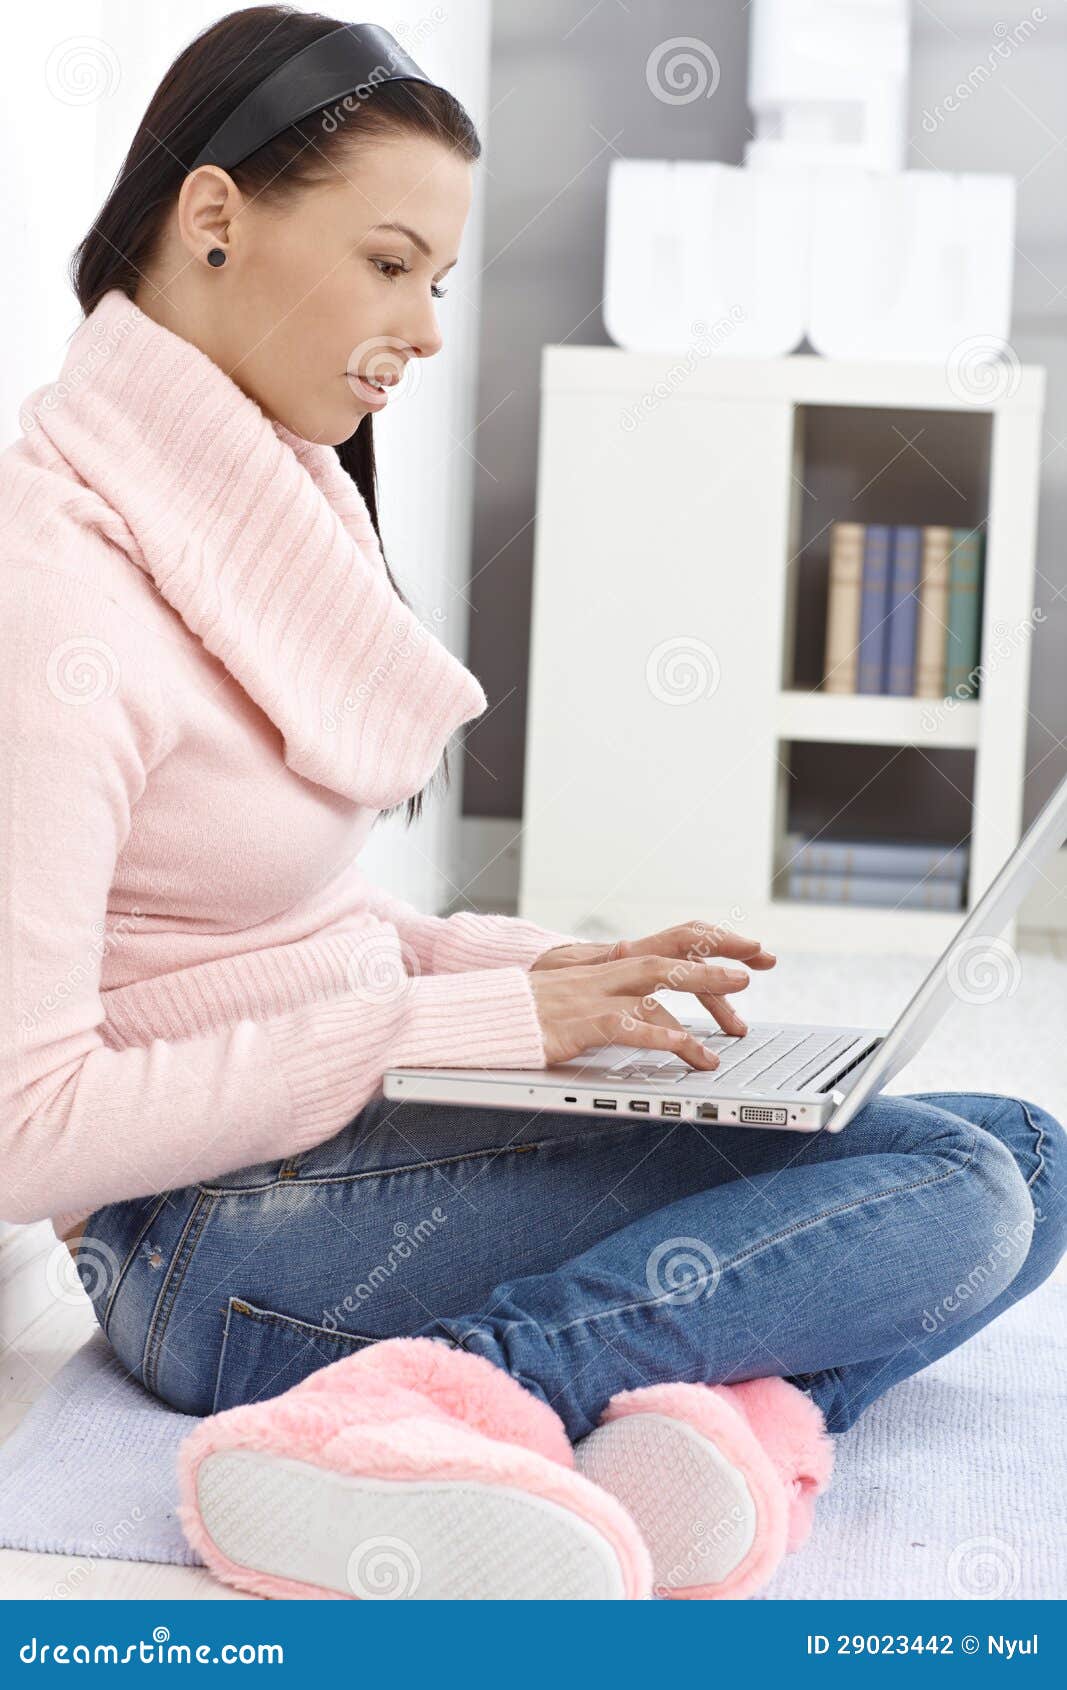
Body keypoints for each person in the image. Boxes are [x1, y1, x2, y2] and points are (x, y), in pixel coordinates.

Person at [2, 10, 1063, 1601]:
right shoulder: (51, 596)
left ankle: (712, 1421)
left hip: (332, 1157)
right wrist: (468, 1028)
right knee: (956, 1192)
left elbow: (297, 931)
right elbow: (27, 1128)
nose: (427, 330)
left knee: (1022, 1153)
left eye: (435, 277)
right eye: (390, 262)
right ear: (212, 219)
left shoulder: (251, 507)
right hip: (207, 1247)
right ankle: (419, 1411)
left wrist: (551, 977)